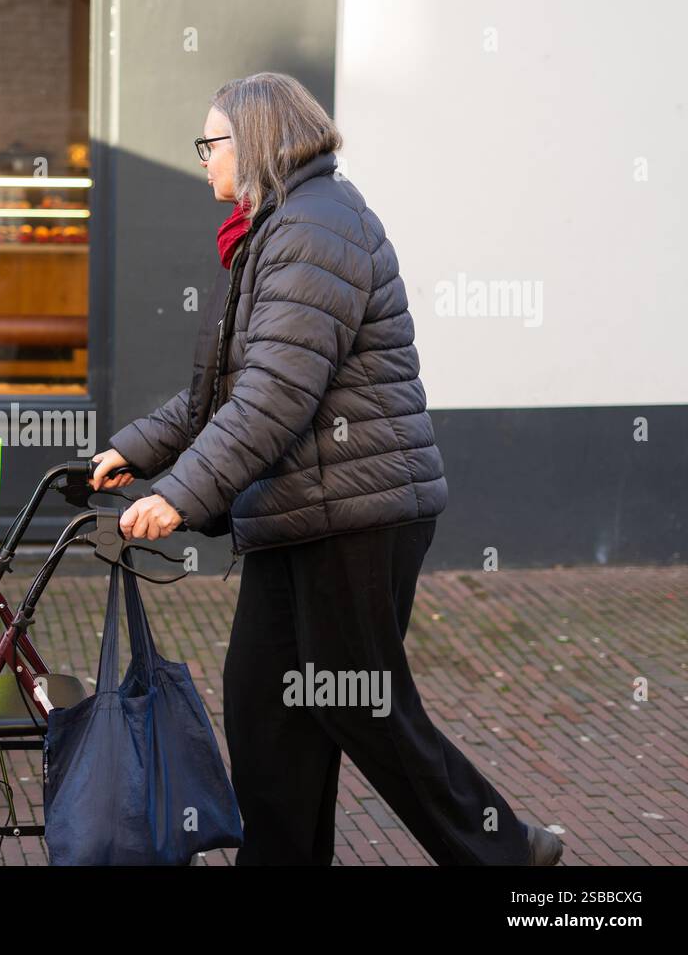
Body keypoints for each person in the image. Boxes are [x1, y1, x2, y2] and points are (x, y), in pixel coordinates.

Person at [90, 73, 562, 866]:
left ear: (260, 142)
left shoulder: (316, 227)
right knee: (267, 711)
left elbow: (274, 397)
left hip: (358, 509)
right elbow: (224, 392)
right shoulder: (270, 231)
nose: (205, 158)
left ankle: (507, 852)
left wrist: (176, 495)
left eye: (214, 143)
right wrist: (136, 448)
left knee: (359, 705)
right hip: (302, 509)